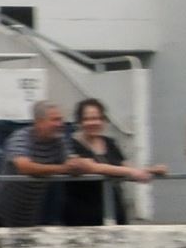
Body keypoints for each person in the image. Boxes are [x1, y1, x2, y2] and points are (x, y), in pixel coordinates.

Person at [64, 97, 165, 226]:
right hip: (83, 215)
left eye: (97, 118)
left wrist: (151, 170)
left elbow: (126, 169)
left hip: (115, 212)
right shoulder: (71, 144)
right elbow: (94, 168)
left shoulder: (110, 142)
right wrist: (133, 171)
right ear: (79, 121)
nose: (93, 122)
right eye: (87, 119)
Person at [0, 100, 75, 227]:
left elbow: (72, 162)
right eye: (55, 120)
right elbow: (24, 167)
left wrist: (78, 163)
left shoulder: (59, 141)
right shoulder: (21, 137)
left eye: (61, 119)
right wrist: (63, 168)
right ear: (39, 122)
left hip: (27, 215)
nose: (60, 124)